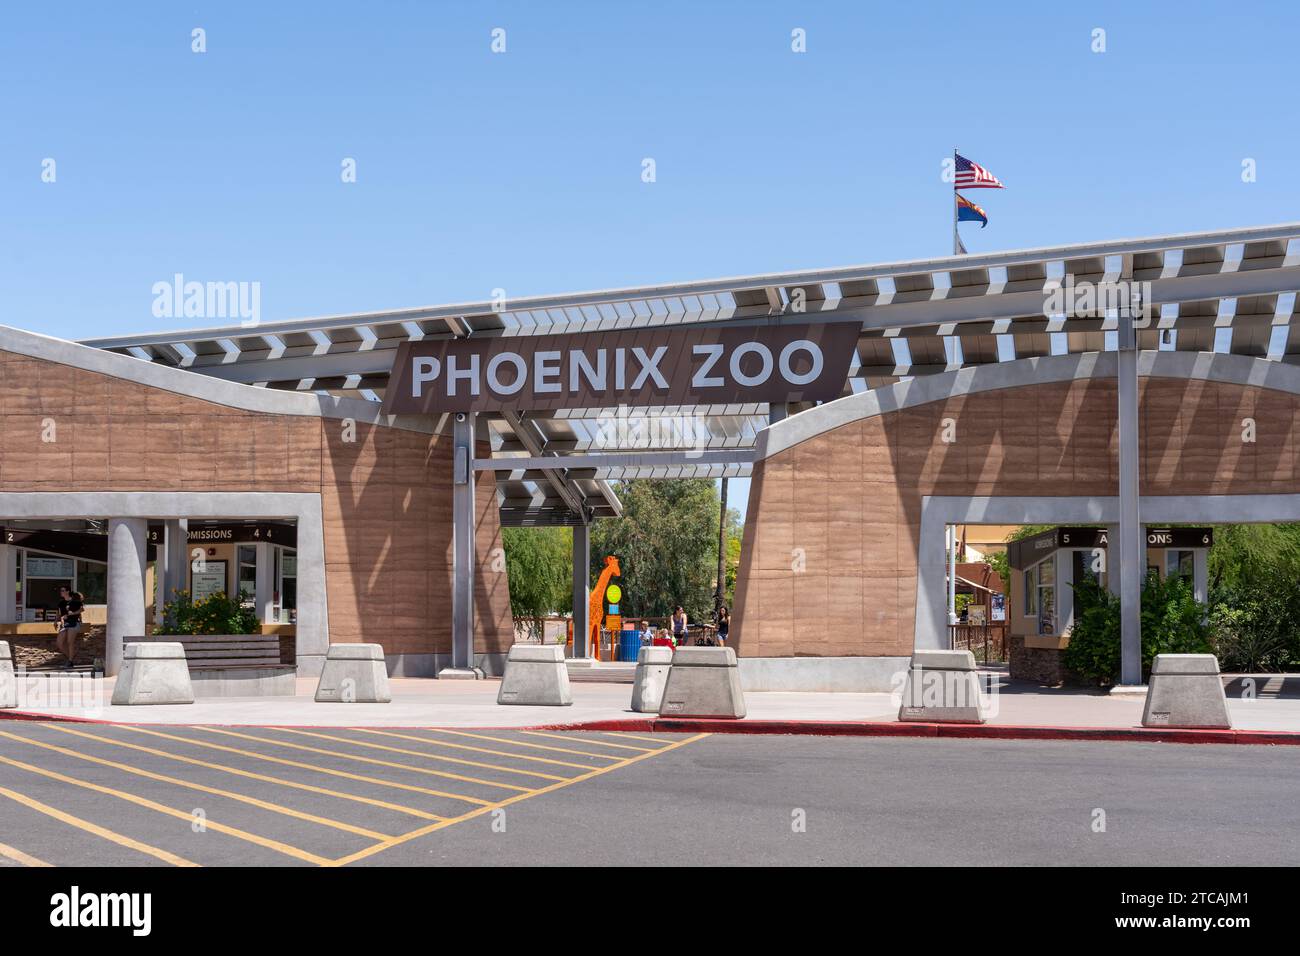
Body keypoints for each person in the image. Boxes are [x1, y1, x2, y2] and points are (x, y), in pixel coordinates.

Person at [56, 586, 84, 668]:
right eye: (61, 590)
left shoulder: (75, 601)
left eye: (63, 590)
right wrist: (56, 621)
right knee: (59, 643)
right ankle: (71, 659)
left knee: (70, 642)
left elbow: (81, 610)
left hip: (74, 623)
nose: (61, 592)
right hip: (65, 624)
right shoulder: (61, 603)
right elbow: (59, 613)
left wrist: (73, 614)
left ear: (67, 592)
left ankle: (70, 661)